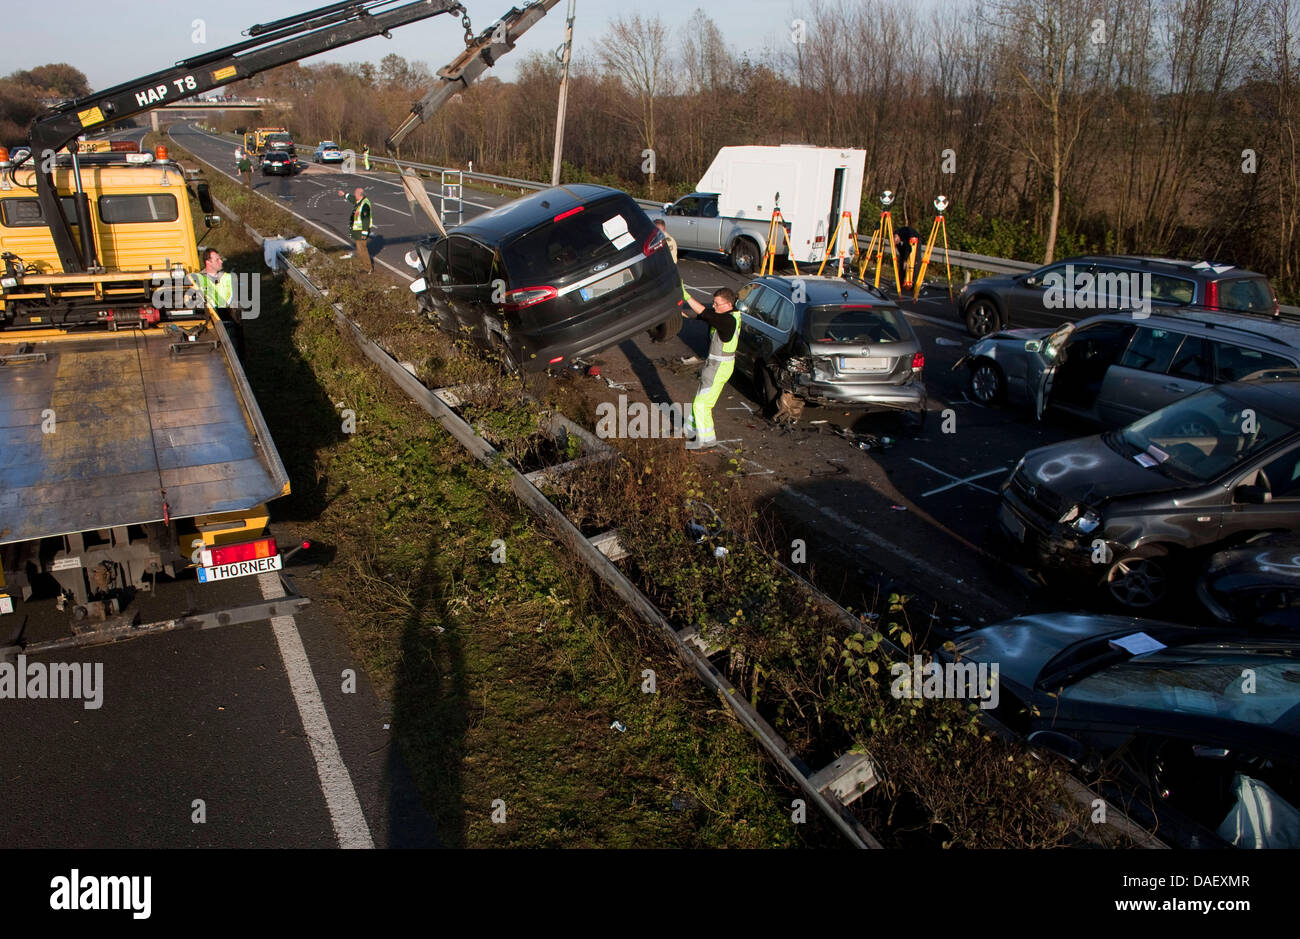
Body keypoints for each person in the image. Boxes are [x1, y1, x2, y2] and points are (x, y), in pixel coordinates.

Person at [681, 287, 741, 450]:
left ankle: (707, 441)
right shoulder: (727, 315)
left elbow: (706, 314)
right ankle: (690, 430)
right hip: (716, 365)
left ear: (728, 304)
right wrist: (677, 313)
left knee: (702, 405)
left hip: (719, 367)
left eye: (717, 303)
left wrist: (688, 297)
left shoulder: (728, 321)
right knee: (700, 399)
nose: (713, 306)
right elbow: (702, 315)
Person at [193, 248, 245, 357]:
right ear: (208, 262)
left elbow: (233, 300)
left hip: (228, 320)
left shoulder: (227, 277)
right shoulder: (197, 280)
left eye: (220, 259)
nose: (221, 261)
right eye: (217, 260)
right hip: (210, 322)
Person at [649, 219, 686, 343]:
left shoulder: (661, 240)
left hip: (663, 274)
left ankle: (658, 327)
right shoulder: (670, 239)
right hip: (671, 273)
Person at [337, 187, 374, 274]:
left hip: (361, 231)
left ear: (359, 195)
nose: (354, 195)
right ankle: (366, 266)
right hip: (358, 230)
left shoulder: (364, 205)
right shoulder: (360, 201)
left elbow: (366, 219)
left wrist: (364, 232)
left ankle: (368, 268)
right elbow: (353, 200)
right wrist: (345, 195)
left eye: (355, 194)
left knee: (362, 250)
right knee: (360, 249)